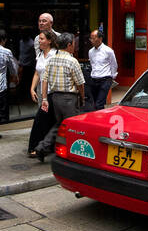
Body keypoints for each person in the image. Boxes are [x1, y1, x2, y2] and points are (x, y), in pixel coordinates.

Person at [28, 31, 86, 161]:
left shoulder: (52, 59)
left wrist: (44, 98)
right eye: (74, 44)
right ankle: (71, 154)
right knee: (72, 127)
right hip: (69, 99)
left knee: (59, 124)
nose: (74, 46)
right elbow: (80, 83)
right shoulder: (72, 61)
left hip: (54, 97)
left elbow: (44, 80)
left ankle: (42, 147)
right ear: (69, 45)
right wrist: (82, 97)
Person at [20, 12, 61, 158]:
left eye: (44, 21)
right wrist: (32, 88)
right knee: (44, 118)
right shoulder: (39, 47)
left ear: (51, 23)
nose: (41, 23)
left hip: (54, 91)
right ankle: (43, 146)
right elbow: (38, 71)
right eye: (39, 21)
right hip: (43, 91)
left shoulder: (58, 46)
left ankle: (40, 146)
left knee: (46, 119)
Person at [85, 28, 119, 111]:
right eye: (90, 38)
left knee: (99, 103)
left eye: (93, 38)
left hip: (105, 80)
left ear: (100, 38)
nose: (91, 40)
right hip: (94, 79)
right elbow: (92, 64)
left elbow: (114, 65)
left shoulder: (108, 51)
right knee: (95, 103)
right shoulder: (90, 52)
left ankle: (98, 120)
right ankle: (100, 118)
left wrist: (112, 77)